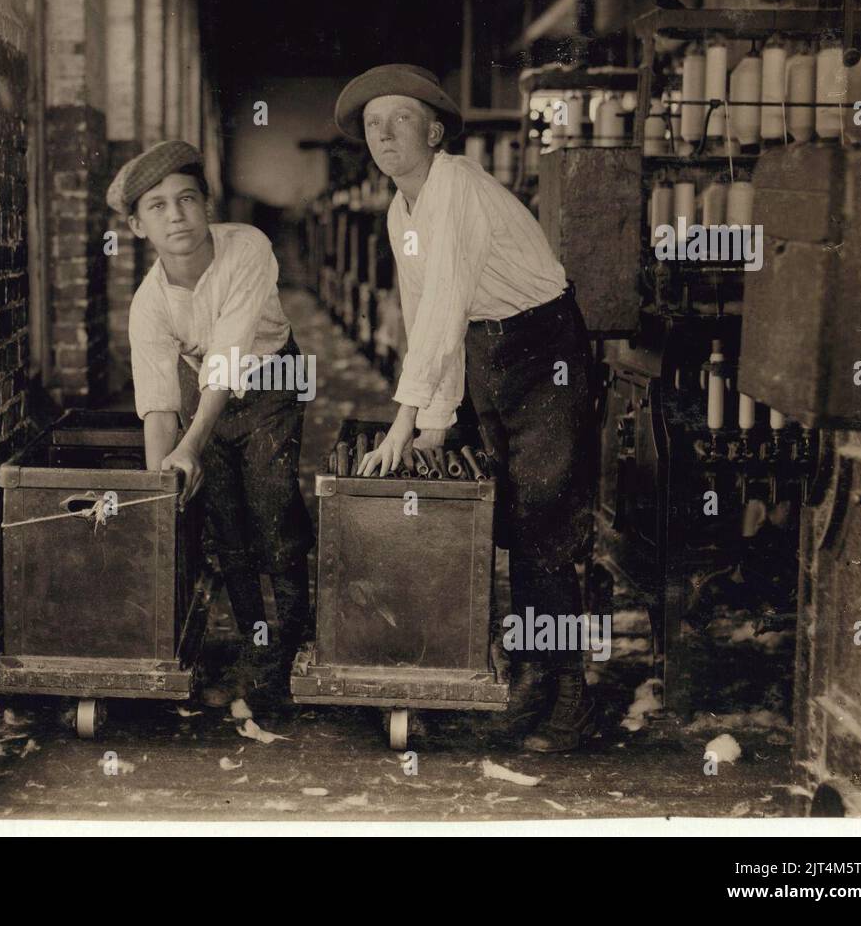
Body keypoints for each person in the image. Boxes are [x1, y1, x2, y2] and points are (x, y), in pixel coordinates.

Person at [333, 64, 597, 751]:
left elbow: (445, 306)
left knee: (544, 528)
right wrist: (432, 422)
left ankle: (569, 697)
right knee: (510, 520)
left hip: (545, 348)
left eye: (401, 119)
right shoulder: (400, 211)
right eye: (373, 124)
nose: (385, 134)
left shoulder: (457, 187)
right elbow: (422, 315)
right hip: (490, 349)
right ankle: (532, 674)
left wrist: (406, 422)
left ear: (434, 132)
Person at [109, 140, 314, 701]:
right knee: (224, 515)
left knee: (271, 502)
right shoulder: (149, 305)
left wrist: (192, 442)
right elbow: (157, 403)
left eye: (187, 199)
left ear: (207, 205)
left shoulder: (248, 247)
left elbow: (229, 356)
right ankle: (256, 641)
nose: (176, 216)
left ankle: (293, 636)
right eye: (157, 206)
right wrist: (161, 492)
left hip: (271, 376)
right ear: (137, 226)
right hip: (200, 386)